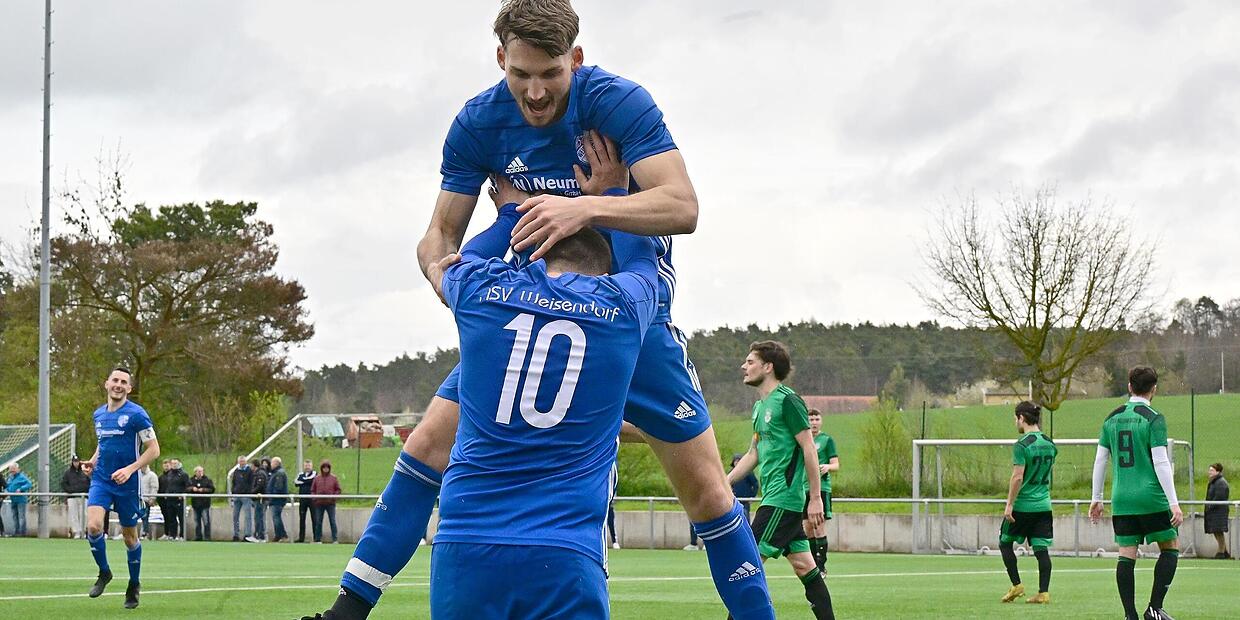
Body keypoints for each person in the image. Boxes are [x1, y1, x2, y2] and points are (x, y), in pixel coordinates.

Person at [325, 1, 771, 618]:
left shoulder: (619, 103)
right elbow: (438, 238)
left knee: (706, 489)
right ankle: (348, 607)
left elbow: (683, 208)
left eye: (552, 74)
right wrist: (453, 287)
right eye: (522, 75)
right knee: (427, 443)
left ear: (577, 60)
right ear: (501, 59)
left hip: (627, 326)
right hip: (528, 315)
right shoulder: (479, 123)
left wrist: (587, 207)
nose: (536, 92)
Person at [728, 341, 835, 619]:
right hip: (775, 499)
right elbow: (754, 454)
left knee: (746, 567)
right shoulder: (759, 407)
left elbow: (809, 448)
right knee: (805, 568)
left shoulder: (788, 400)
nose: (744, 366)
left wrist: (814, 499)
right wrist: (724, 483)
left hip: (782, 501)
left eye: (750, 361)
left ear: (768, 367)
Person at [1090, 366, 1183, 620]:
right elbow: (1162, 462)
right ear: (1154, 389)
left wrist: (1096, 498)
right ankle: (1154, 607)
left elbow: (1100, 460)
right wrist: (1174, 503)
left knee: (1126, 553)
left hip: (1121, 498)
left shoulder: (1111, 418)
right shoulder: (1154, 418)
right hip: (1150, 497)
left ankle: (1129, 615)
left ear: (1129, 386)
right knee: (1170, 546)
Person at [84, 367, 161, 609]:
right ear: (106, 384)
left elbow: (153, 450)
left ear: (129, 388)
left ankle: (134, 584)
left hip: (128, 483)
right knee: (93, 526)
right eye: (114, 380)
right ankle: (104, 572)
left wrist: (130, 469)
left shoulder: (137, 415)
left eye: (123, 382)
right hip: (102, 479)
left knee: (130, 537)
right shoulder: (98, 415)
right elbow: (103, 444)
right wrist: (92, 462)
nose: (118, 384)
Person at [998, 401, 1056, 605]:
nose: (1016, 422)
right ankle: (1044, 592)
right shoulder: (1050, 444)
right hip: (1044, 505)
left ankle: (1017, 585)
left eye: (1016, 418)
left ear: (1022, 418)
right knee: (1041, 549)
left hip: (1023, 505)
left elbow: (1017, 477)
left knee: (1005, 542)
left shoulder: (1022, 445)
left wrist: (1009, 505)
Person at [804, 409, 839, 572]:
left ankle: (821, 565)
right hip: (803, 488)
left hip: (821, 489)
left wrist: (828, 467)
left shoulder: (827, 440)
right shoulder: (802, 440)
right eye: (811, 419)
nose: (814, 422)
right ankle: (813, 565)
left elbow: (836, 464)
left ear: (821, 421)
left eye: (817, 419)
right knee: (807, 528)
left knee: (819, 526)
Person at [61, 455, 92, 539]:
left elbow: (89, 483)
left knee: (84, 514)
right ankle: (76, 531)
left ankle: (83, 531)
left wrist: (85, 490)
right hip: (72, 497)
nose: (76, 463)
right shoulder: (68, 473)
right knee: (73, 514)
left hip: (83, 496)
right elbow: (64, 484)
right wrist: (70, 490)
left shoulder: (84, 472)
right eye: (74, 461)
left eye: (77, 461)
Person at [311, 460, 341, 543]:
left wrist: (333, 498)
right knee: (318, 521)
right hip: (319, 504)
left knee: (332, 521)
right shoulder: (317, 478)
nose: (325, 469)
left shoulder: (333, 478)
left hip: (330, 504)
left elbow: (338, 490)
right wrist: (315, 498)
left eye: (327, 467)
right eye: (324, 467)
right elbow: (313, 490)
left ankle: (335, 539)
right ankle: (318, 539)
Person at [1205, 463, 1230, 559]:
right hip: (1215, 512)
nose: (1209, 472)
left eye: (1212, 470)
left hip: (1219, 512)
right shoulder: (1214, 482)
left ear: (1218, 472)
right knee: (1217, 531)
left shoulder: (1220, 483)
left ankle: (1221, 552)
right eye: (1209, 470)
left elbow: (1219, 498)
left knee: (1219, 532)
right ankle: (1225, 552)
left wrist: (1210, 506)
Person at [164, 458, 190, 540]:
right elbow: (168, 485)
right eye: (173, 463)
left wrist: (182, 494)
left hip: (179, 500)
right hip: (170, 499)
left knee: (181, 518)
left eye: (176, 463)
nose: (174, 465)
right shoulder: (169, 474)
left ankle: (182, 535)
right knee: (171, 518)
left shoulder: (183, 474)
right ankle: (172, 535)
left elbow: (188, 486)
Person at [229, 455, 254, 541]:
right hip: (237, 495)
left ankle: (247, 534)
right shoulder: (236, 471)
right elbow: (234, 483)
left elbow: (251, 483)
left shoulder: (249, 471)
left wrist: (249, 492)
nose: (242, 463)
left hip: (246, 496)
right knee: (235, 516)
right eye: (240, 461)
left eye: (243, 461)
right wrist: (233, 492)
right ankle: (236, 534)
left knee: (247, 516)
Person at [188, 465, 215, 541]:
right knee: (197, 521)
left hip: (205, 504)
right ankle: (198, 536)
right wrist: (192, 489)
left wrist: (203, 490)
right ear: (195, 472)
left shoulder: (207, 480)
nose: (200, 473)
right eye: (198, 471)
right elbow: (187, 488)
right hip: (195, 504)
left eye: (201, 471)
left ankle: (207, 537)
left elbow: (212, 489)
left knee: (206, 521)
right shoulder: (191, 480)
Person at [5, 463, 33, 536]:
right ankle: (16, 532)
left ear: (17, 469)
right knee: (15, 516)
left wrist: (21, 489)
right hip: (13, 499)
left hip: (21, 500)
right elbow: (8, 486)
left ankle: (22, 533)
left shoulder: (22, 477)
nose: (12, 472)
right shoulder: (10, 477)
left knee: (21, 516)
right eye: (11, 471)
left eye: (13, 470)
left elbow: (29, 484)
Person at [267, 456, 290, 542]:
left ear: (276, 463)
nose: (271, 464)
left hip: (277, 500)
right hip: (275, 499)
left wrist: (272, 496)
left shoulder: (279, 473)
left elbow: (278, 487)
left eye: (272, 463)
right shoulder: (275, 473)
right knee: (276, 517)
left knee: (276, 517)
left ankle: (282, 535)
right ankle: (280, 535)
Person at [294, 459, 317, 543]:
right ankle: (301, 538)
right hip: (302, 499)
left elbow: (312, 480)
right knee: (302, 519)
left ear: (312, 466)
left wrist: (303, 481)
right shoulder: (300, 474)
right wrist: (306, 481)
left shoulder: (314, 473)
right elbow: (296, 482)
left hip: (312, 499)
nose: (307, 467)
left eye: (309, 465)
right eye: (306, 465)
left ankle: (316, 537)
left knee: (314, 518)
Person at [248, 458, 270, 543]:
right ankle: (258, 535)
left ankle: (260, 536)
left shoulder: (260, 474)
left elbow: (259, 486)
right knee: (258, 517)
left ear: (254, 465)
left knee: (259, 517)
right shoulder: (258, 473)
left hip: (260, 499)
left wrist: (251, 492)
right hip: (258, 499)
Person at [139, 464, 158, 540]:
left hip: (146, 500)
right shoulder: (139, 475)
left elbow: (154, 487)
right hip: (138, 499)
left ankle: (145, 533)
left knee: (145, 517)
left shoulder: (152, 475)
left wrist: (152, 498)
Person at [155, 459, 171, 539]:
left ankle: (172, 534)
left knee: (171, 517)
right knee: (166, 517)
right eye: (165, 465)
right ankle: (166, 533)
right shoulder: (161, 477)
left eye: (167, 465)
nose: (166, 467)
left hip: (171, 500)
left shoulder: (172, 476)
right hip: (163, 501)